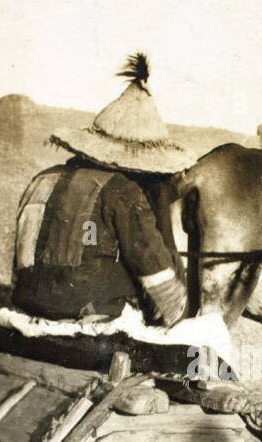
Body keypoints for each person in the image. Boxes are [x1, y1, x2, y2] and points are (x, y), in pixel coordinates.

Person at [12, 53, 192, 327]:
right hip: (93, 315)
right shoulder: (121, 191)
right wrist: (181, 314)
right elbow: (151, 263)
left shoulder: (41, 179)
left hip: (26, 305)